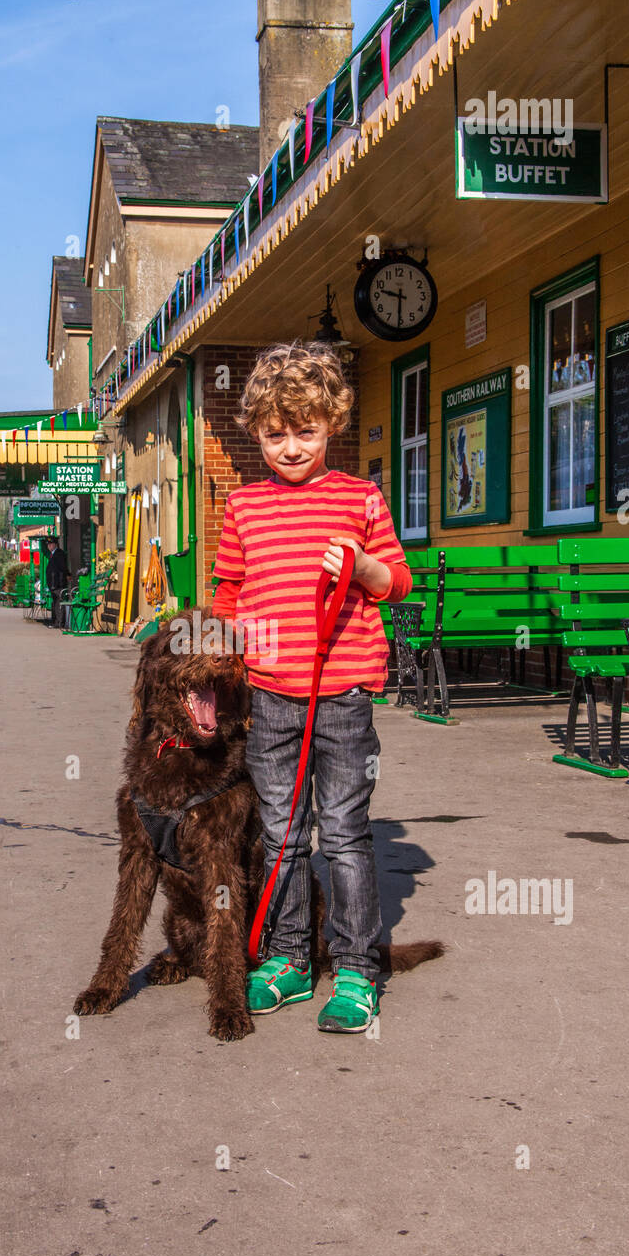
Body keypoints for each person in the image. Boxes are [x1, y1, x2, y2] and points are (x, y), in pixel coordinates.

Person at [211, 339, 413, 1034]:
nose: (291, 447)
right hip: (270, 696)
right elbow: (230, 593)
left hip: (344, 693)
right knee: (281, 833)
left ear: (333, 424)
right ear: (256, 432)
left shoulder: (360, 498)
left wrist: (361, 566)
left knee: (348, 835)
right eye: (275, 433)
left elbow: (396, 582)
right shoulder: (243, 508)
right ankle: (291, 957)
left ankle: (357, 967)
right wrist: (229, 666)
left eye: (307, 430)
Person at [45, 537, 68, 627]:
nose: (49, 546)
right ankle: (56, 621)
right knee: (55, 603)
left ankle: (60, 622)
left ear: (55, 544)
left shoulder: (59, 554)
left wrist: (67, 575)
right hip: (53, 584)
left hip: (58, 583)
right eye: (48, 545)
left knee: (59, 603)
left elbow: (62, 568)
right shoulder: (52, 554)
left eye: (51, 544)